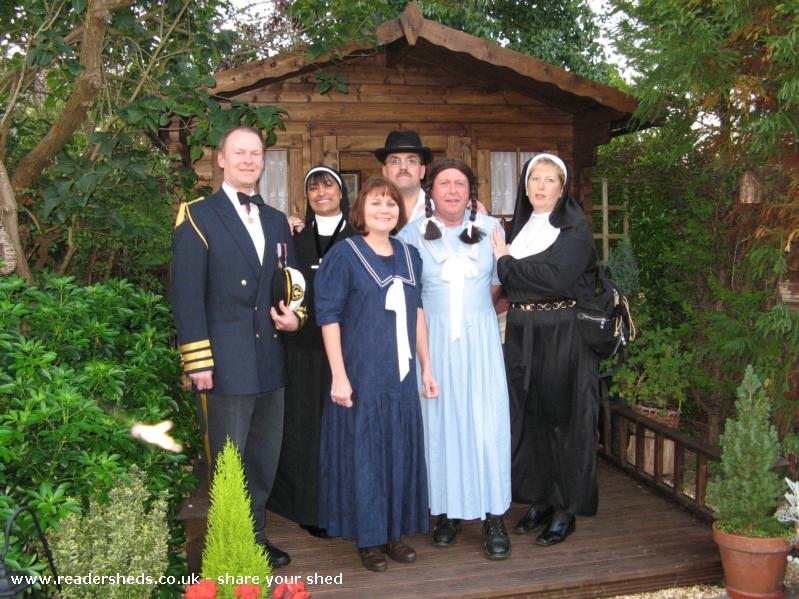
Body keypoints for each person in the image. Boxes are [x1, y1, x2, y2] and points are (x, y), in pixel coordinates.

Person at [171, 126, 306, 568]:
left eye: (255, 154)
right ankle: (230, 545)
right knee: (229, 458)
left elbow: (293, 281)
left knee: (263, 458)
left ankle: (256, 536)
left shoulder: (275, 220)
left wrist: (296, 317)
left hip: (269, 358)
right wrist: (198, 361)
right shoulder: (197, 216)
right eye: (239, 153)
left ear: (263, 162)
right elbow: (186, 295)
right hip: (224, 362)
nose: (248, 160)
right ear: (222, 160)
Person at [314, 176, 438, 572]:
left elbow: (417, 313)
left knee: (397, 452)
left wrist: (427, 366)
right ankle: (368, 539)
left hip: (400, 379)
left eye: (390, 203)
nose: (384, 210)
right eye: (376, 203)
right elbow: (328, 317)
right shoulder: (344, 255)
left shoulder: (410, 255)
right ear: (360, 209)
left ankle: (393, 534)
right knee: (365, 456)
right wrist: (339, 375)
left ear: (399, 212)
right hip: (361, 374)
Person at [397, 158, 512, 560]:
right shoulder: (411, 235)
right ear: (431, 190)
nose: (451, 190)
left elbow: (499, 284)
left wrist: (472, 315)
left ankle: (493, 516)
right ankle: (445, 512)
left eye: (459, 184)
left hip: (480, 342)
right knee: (439, 425)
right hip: (433, 345)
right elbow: (410, 297)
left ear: (470, 191)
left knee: (486, 426)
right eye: (444, 183)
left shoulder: (492, 229)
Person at [490, 153, 600, 547]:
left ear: (562, 188)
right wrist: (512, 271)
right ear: (525, 186)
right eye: (534, 178)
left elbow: (555, 278)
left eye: (549, 179)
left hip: (561, 332)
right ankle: (540, 500)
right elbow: (520, 284)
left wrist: (507, 264)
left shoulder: (574, 229)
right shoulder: (519, 229)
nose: (540, 186)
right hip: (523, 331)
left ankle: (565, 509)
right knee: (529, 418)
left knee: (562, 421)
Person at [268, 165, 354, 538]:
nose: (322, 193)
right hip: (302, 350)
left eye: (328, 186)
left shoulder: (358, 238)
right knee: (305, 430)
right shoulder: (293, 239)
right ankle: (310, 508)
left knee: (343, 431)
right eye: (314, 188)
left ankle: (345, 506)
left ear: (342, 193)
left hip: (347, 351)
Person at [375, 130, 488, 225]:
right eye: (395, 161)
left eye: (411, 161)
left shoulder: (449, 206)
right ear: (384, 171)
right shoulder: (371, 211)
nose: (403, 167)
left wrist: (483, 220)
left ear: (422, 171)